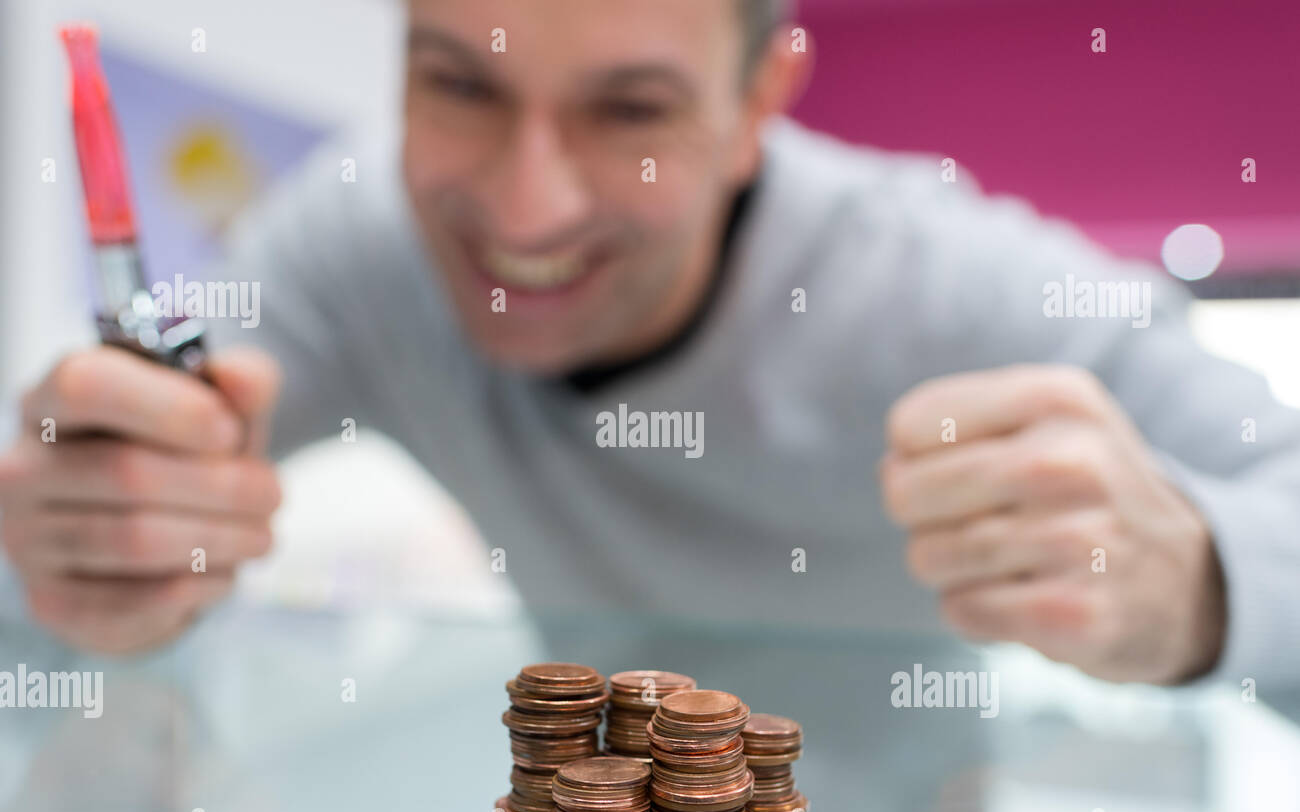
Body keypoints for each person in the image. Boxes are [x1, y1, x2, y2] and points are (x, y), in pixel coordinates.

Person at [2, 0, 1298, 687]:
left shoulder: (944, 284)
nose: (526, 210)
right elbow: (132, 441)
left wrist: (1202, 580)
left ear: (755, 109)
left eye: (629, 110)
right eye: (460, 84)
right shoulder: (354, 240)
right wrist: (90, 514)